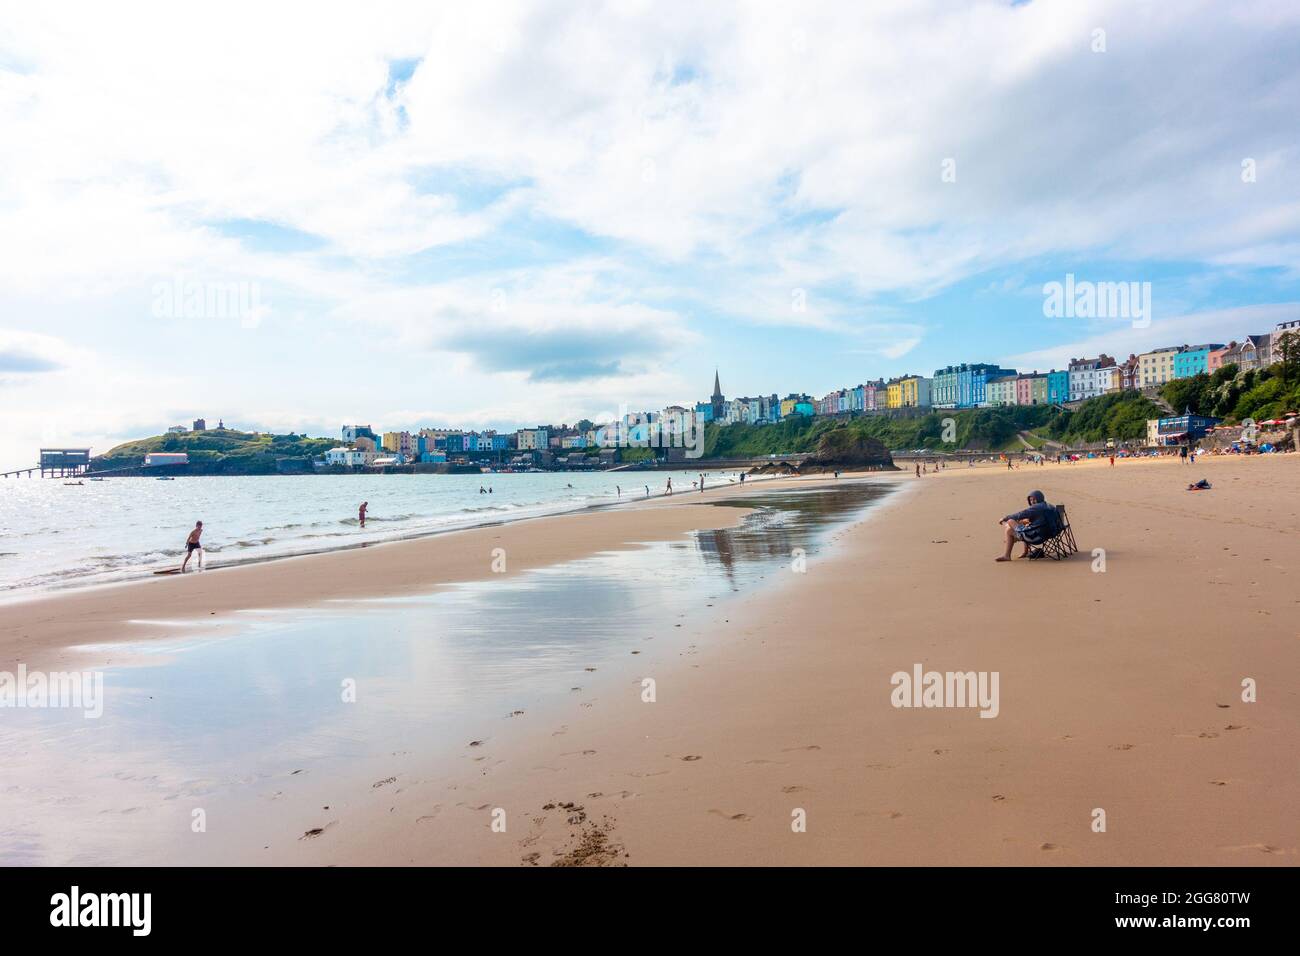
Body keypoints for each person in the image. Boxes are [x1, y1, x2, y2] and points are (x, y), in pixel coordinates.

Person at [996, 490, 1058, 562]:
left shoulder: (1036, 508)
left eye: (1034, 499)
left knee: (1010, 523)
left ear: (1039, 498)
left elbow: (1020, 514)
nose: (1032, 502)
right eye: (1031, 500)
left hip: (1037, 537)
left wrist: (1005, 518)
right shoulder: (1049, 506)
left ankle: (1007, 555)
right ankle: (1025, 552)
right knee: (1022, 525)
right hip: (1051, 532)